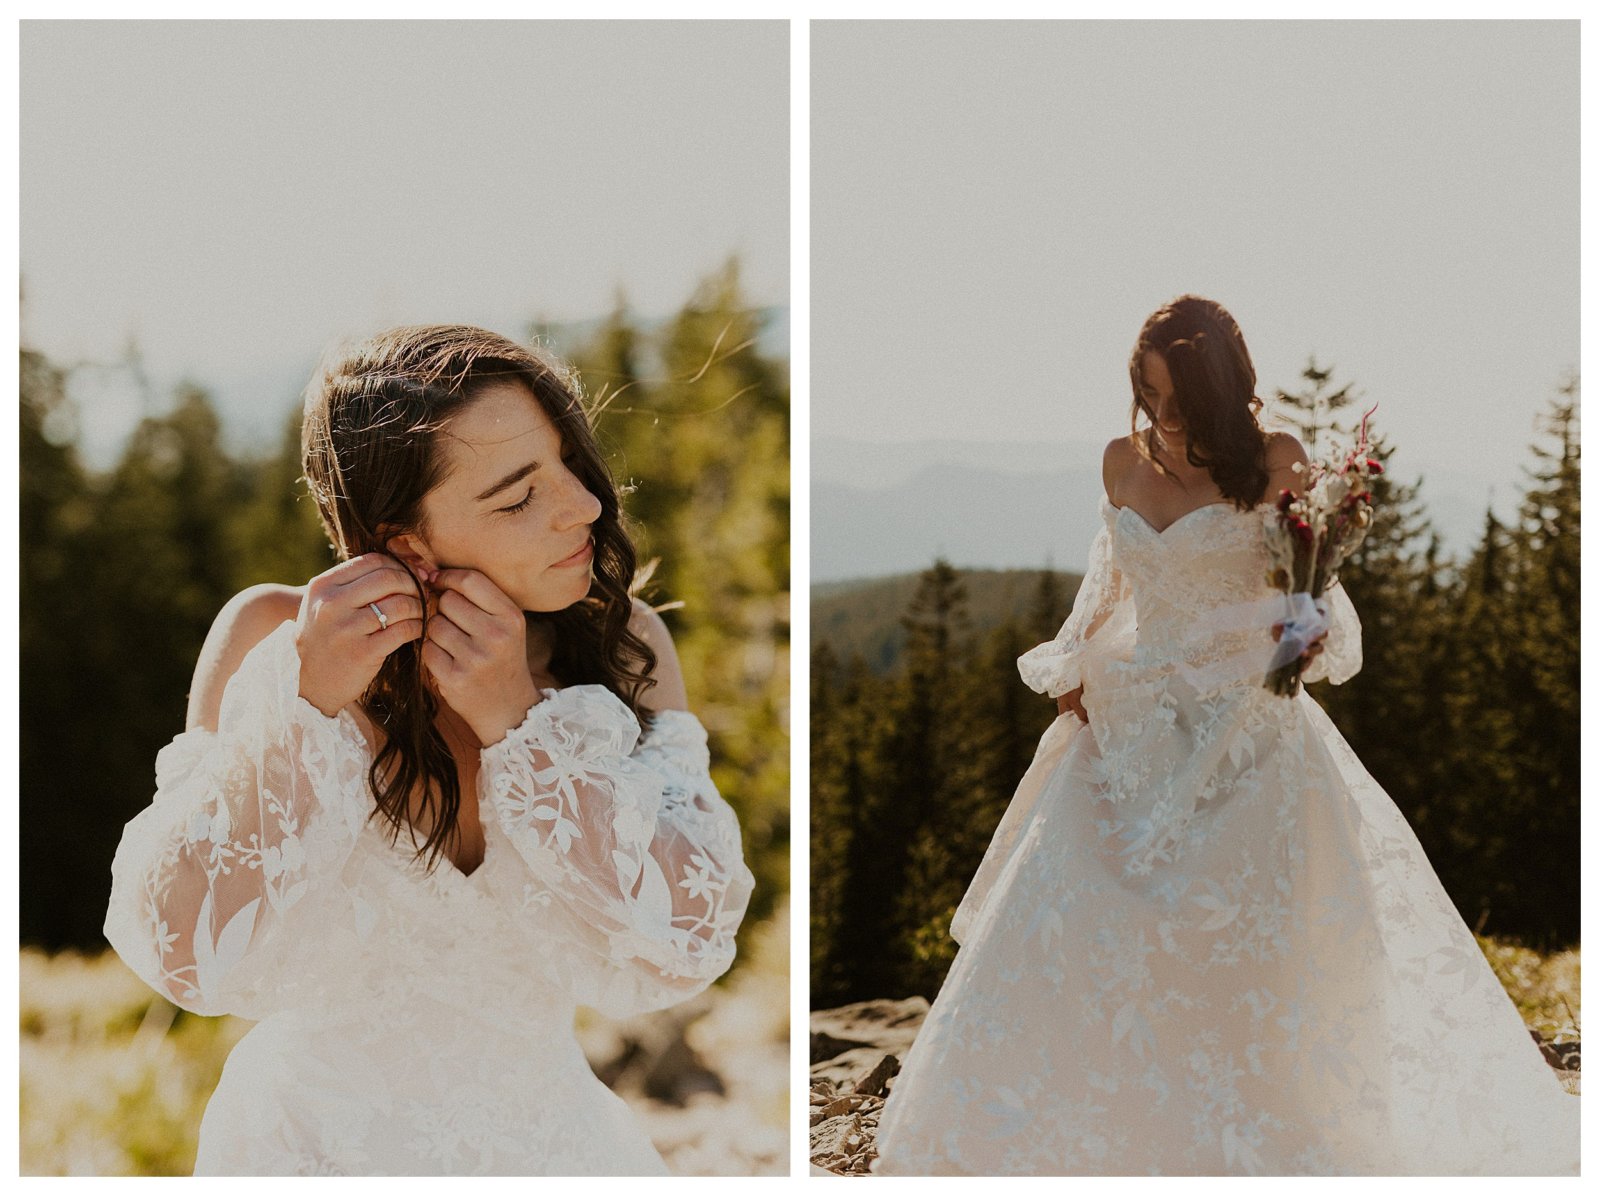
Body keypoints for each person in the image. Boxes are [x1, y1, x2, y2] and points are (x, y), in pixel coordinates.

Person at [871, 295, 1579, 1176]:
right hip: (1130, 724)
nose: (1163, 417)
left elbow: (1304, 599)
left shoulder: (1278, 458)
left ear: (1224, 387)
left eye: (1180, 398)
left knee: (1245, 941)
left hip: (1247, 730)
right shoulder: (1119, 460)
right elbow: (1113, 586)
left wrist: (1290, 641)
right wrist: (1076, 668)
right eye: (1149, 394)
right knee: (1087, 927)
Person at [103, 325, 755, 1175]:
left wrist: (521, 723)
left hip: (556, 1153)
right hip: (308, 1153)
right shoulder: (272, 639)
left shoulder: (625, 646)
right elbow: (184, 956)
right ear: (407, 544)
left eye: (569, 463)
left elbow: (692, 942)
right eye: (518, 498)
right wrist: (308, 707)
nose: (585, 507)